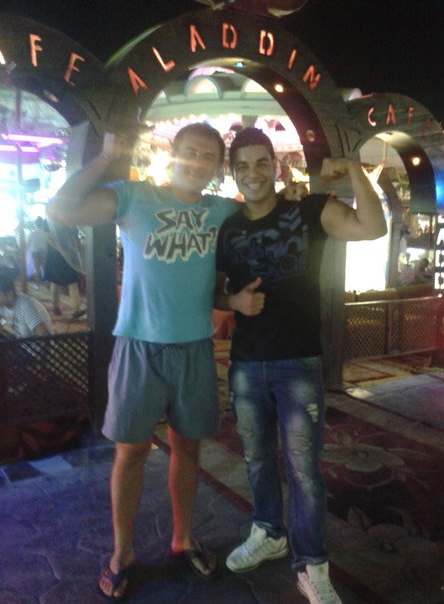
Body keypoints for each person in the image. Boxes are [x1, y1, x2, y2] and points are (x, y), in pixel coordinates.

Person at [46, 123, 246, 599]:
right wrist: (103, 159)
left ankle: (182, 539)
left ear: (218, 167)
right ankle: (122, 553)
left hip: (194, 348)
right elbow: (62, 209)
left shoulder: (220, 210)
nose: (198, 162)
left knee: (188, 449)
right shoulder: (135, 197)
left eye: (208, 156)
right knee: (130, 453)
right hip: (138, 346)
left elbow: (267, 213)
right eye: (190, 152)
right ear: (174, 154)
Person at [215, 128, 387, 604]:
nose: (253, 173)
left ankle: (312, 565)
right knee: (256, 458)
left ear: (275, 165)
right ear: (233, 172)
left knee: (304, 470)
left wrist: (354, 170)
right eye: (243, 165)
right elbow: (212, 290)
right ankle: (269, 532)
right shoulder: (228, 228)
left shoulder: (309, 209)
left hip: (298, 363)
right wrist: (233, 301)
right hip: (246, 363)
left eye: (261, 162)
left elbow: (373, 227)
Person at [0, 272, 52, 338]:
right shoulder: (0, 304)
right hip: (19, 338)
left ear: (9, 294)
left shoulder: (25, 306)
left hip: (34, 342)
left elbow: (45, 335)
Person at [43, 221, 82, 318]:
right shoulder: (48, 220)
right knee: (55, 281)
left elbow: (74, 235)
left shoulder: (66, 218)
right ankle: (56, 307)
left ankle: (76, 309)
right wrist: (61, 249)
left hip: (68, 254)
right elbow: (48, 237)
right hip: (56, 255)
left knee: (72, 280)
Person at [27, 216, 48, 287]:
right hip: (44, 252)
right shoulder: (45, 233)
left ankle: (37, 285)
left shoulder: (32, 233)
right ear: (42, 223)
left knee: (37, 269)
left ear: (36, 224)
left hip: (35, 253)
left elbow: (28, 244)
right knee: (45, 269)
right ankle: (47, 284)